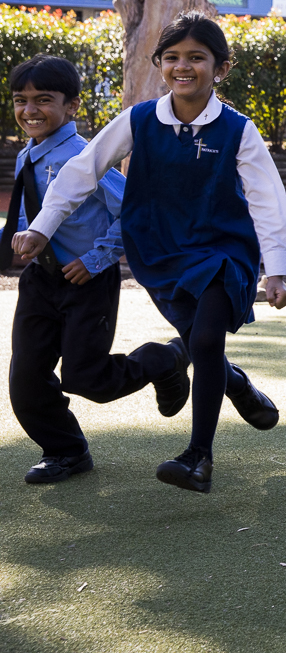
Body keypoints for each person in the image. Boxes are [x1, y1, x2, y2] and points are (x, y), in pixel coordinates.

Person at [15, 13, 286, 494]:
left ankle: (198, 458)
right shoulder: (139, 119)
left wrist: (276, 272)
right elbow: (81, 172)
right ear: (159, 64)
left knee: (205, 341)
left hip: (222, 251)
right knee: (198, 341)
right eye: (172, 58)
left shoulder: (238, 129)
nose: (183, 66)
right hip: (162, 253)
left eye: (196, 58)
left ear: (221, 68)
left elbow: (268, 199)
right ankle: (237, 385)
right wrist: (42, 228)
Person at [4, 55, 189, 484]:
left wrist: (96, 259)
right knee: (26, 380)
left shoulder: (86, 157)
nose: (29, 110)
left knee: (87, 378)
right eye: (20, 100)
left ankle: (163, 359)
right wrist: (19, 238)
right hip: (40, 284)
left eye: (43, 100)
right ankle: (66, 451)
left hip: (86, 281)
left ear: (71, 106)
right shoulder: (25, 157)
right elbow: (25, 212)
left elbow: (135, 213)